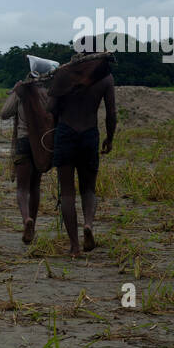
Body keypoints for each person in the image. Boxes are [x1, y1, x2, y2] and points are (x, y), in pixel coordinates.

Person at [51, 58, 116, 256]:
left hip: (65, 133)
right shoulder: (105, 77)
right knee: (88, 190)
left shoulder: (64, 74)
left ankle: (74, 246)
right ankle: (88, 224)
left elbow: (50, 107)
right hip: (89, 134)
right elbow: (111, 113)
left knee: (68, 193)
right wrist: (110, 138)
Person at [1, 78, 49, 245]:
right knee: (35, 186)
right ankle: (33, 225)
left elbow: (4, 113)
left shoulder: (21, 91)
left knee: (22, 188)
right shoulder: (47, 92)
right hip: (41, 143)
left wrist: (15, 92)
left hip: (23, 140)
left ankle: (26, 219)